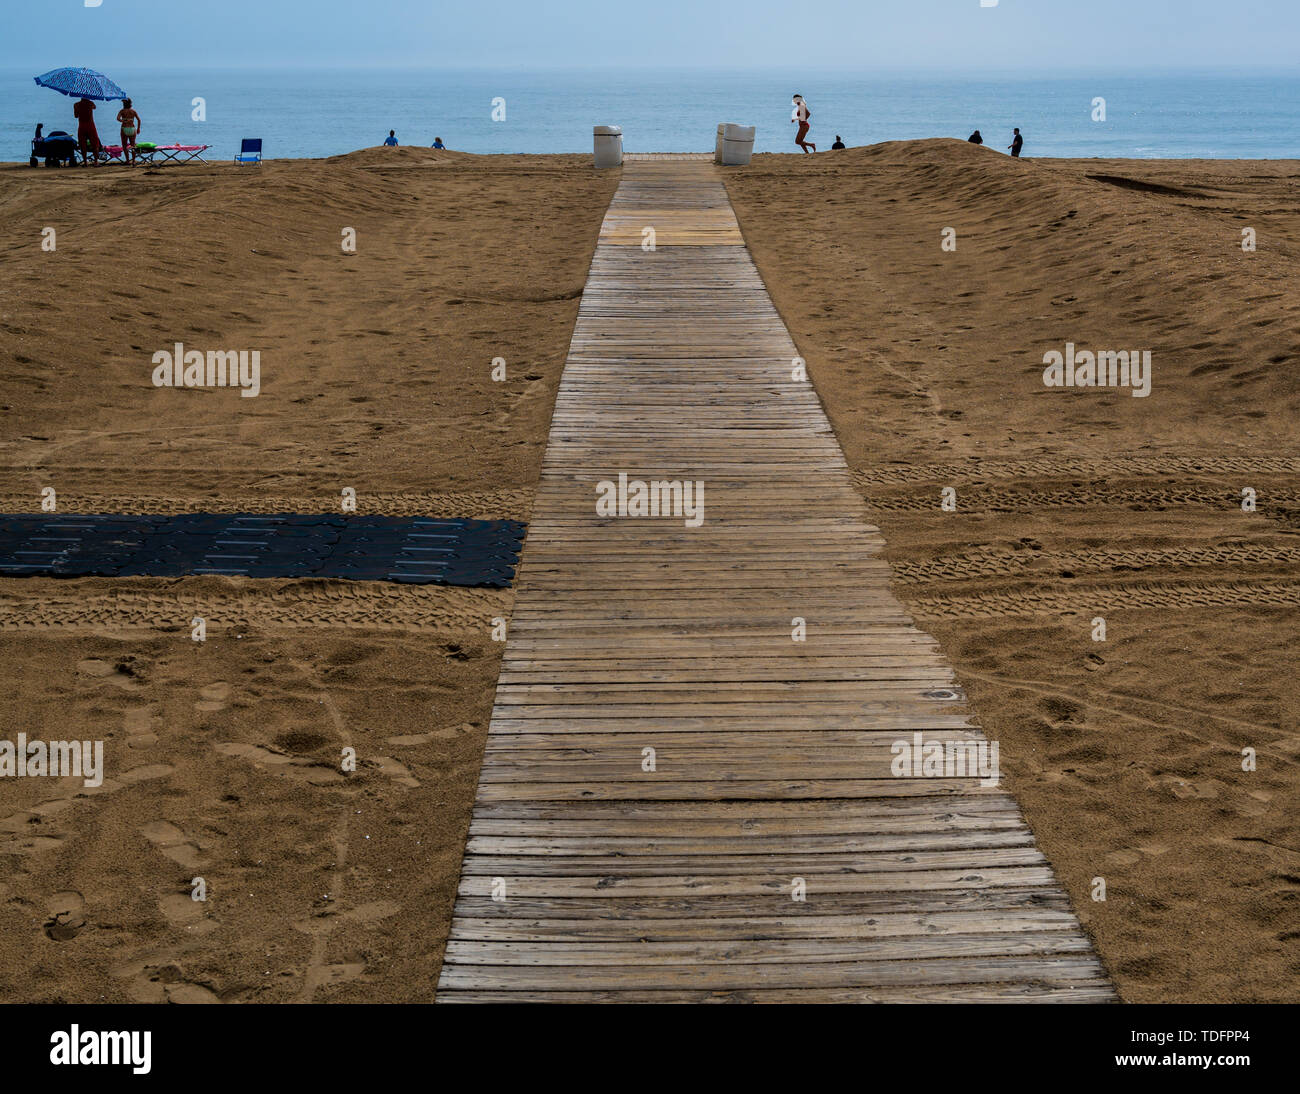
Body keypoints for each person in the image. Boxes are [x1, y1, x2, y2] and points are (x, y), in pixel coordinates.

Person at [72, 97, 101, 165]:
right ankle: (96, 162)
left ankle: (85, 162)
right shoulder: (90, 103)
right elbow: (95, 107)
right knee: (95, 143)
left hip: (82, 125)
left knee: (82, 144)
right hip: (90, 125)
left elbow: (76, 116)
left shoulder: (76, 104)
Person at [117, 98, 142, 165]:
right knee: (133, 145)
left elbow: (118, 118)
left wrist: (123, 121)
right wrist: (138, 128)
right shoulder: (133, 111)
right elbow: (139, 120)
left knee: (124, 145)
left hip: (124, 128)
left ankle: (128, 160)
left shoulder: (122, 111)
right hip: (132, 129)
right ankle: (133, 161)